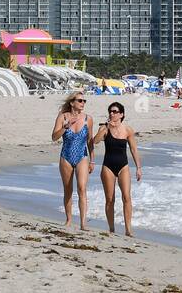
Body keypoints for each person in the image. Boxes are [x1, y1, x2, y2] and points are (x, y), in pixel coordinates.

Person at [91, 101, 142, 236]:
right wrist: (105, 128)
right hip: (108, 166)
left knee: (126, 197)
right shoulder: (105, 128)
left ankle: (128, 229)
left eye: (114, 111)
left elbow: (133, 149)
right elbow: (94, 141)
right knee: (110, 199)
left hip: (123, 166)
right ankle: (112, 228)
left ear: (121, 114)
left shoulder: (128, 129)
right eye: (110, 111)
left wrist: (138, 167)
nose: (111, 114)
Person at [51, 91, 94, 229]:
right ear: (72, 103)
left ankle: (83, 223)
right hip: (66, 156)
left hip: (82, 156)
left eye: (84, 101)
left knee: (82, 188)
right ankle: (69, 220)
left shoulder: (88, 119)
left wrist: (92, 160)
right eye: (80, 100)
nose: (83, 103)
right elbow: (54, 137)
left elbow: (90, 141)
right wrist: (65, 127)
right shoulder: (63, 117)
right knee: (68, 189)